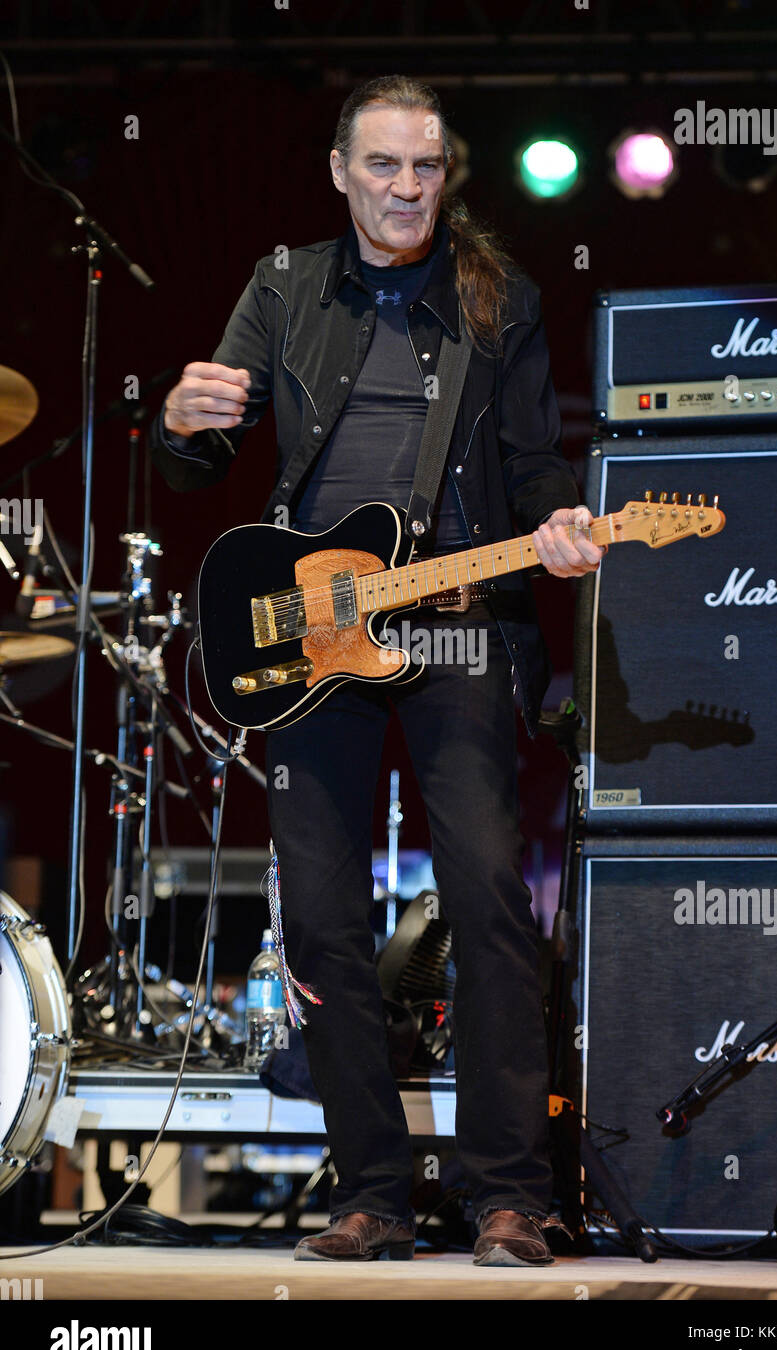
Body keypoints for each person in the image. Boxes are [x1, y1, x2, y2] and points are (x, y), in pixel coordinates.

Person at [151, 74, 603, 1267]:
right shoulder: (285, 285)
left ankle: (510, 1192)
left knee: (490, 901)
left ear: (446, 174)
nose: (407, 188)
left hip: (454, 619)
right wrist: (182, 423)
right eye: (385, 166)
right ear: (341, 172)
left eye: (427, 167)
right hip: (311, 632)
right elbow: (204, 458)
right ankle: (375, 1196)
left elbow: (534, 461)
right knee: (321, 919)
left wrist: (563, 525)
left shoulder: (494, 294)